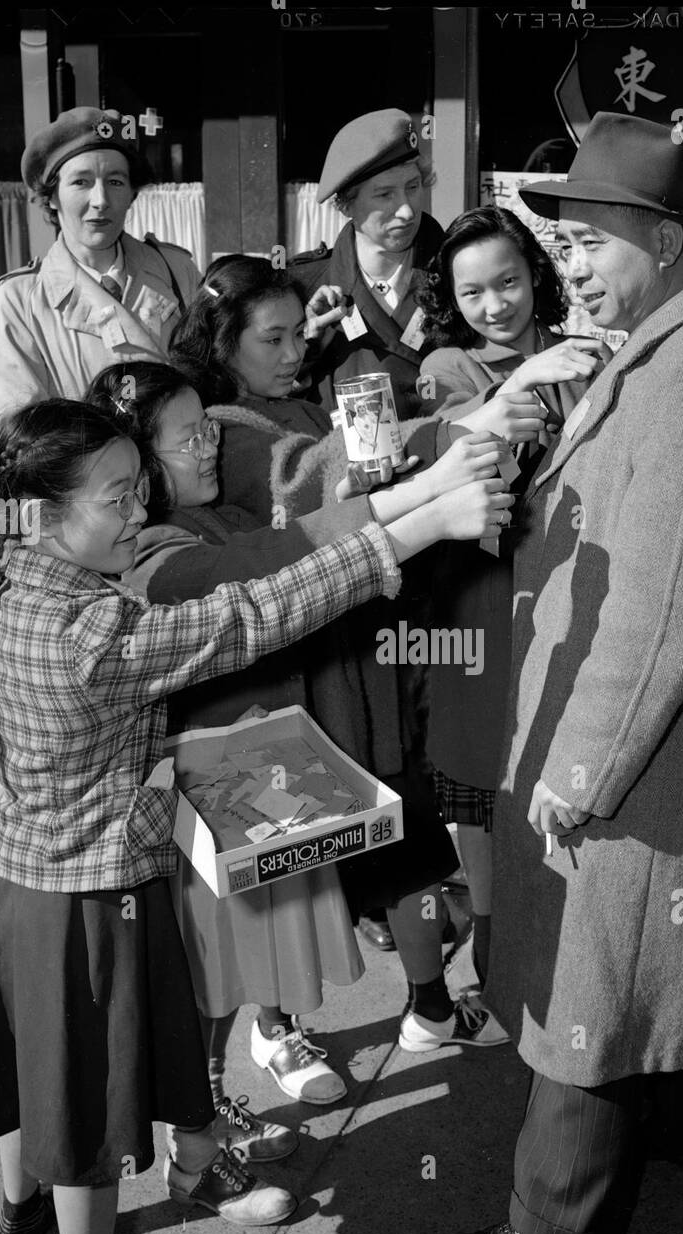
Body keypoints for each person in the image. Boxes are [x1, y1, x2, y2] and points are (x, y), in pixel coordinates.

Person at [0, 397, 449, 1234]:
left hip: (20, 890)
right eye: (115, 498)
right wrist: (405, 535)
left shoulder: (18, 588)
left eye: (139, 489)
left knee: (34, 1074)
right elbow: (248, 616)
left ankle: (16, 1223)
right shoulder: (93, 632)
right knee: (89, 1119)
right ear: (43, 513)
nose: (140, 513)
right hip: (91, 910)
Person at [438, 112, 683, 1234]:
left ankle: (552, 1219)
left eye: (590, 241)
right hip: (656, 746)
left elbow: (659, 606)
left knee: (597, 977)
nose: (567, 266)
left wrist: (579, 770)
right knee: (664, 962)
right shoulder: (658, 345)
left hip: (635, 750)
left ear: (667, 238)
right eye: (565, 241)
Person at [86, 358, 515, 1112]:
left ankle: (228, 1102)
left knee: (283, 933)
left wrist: (374, 507)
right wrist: (420, 506)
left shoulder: (230, 513)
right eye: (189, 440)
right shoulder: (149, 554)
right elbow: (270, 572)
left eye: (208, 430)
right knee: (222, 965)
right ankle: (205, 1115)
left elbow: (288, 547)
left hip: (279, 766)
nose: (210, 447)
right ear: (138, 466)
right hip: (224, 785)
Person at [170, 260, 537, 1063]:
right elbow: (313, 486)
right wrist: (462, 427)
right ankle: (267, 1038)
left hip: (348, 665)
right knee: (272, 882)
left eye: (300, 332)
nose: (294, 349)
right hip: (282, 687)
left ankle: (423, 1004)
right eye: (273, 337)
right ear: (221, 343)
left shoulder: (295, 399)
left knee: (388, 836)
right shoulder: (228, 431)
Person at [417, 206, 605, 990]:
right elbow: (454, 444)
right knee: (480, 780)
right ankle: (493, 940)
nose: (495, 306)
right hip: (483, 600)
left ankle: (562, 932)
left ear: (536, 276)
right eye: (472, 294)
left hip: (574, 585)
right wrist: (523, 389)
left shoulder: (588, 352)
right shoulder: (451, 369)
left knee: (560, 759)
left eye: (508, 282)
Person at [0, 107, 200, 434]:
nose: (100, 200)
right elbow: (28, 443)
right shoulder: (17, 304)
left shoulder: (176, 270)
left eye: (115, 181)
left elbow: (212, 379)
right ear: (52, 197)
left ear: (132, 194)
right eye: (81, 182)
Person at [290, 108, 443, 422]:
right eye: (385, 194)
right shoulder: (302, 291)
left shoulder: (462, 276)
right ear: (346, 204)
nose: (406, 211)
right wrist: (303, 351)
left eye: (413, 187)